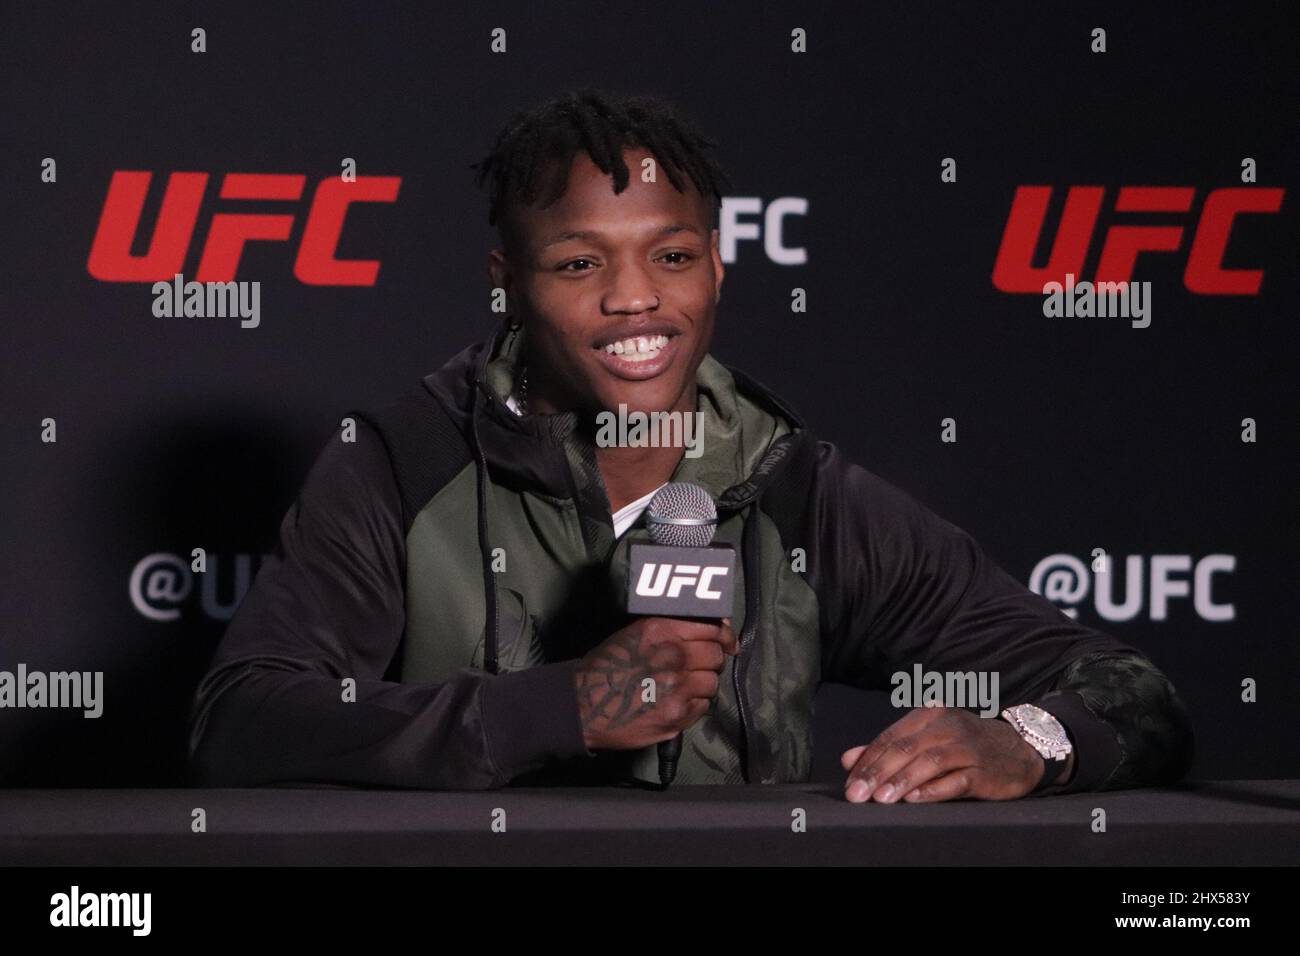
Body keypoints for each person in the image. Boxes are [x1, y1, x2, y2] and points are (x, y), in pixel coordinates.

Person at [188, 88, 1193, 802]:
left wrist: (1027, 738)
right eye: (579, 262)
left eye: (670, 256)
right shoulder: (400, 463)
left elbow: (1129, 688)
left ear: (715, 265)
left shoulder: (793, 488)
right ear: (507, 280)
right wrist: (556, 706)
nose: (634, 299)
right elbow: (243, 721)